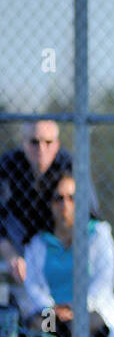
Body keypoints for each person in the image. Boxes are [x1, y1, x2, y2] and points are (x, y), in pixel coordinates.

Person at [20, 173, 114, 337]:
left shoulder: (98, 235)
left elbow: (103, 283)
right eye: (58, 198)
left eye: (72, 198)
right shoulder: (38, 242)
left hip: (89, 311)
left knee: (77, 326)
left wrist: (74, 307)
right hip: (52, 313)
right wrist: (53, 308)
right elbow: (33, 285)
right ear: (49, 204)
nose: (65, 205)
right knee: (36, 325)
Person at [0, 120, 99, 282]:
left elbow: (90, 214)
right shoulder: (8, 165)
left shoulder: (70, 166)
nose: (41, 149)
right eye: (34, 142)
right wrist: (11, 256)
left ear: (57, 144)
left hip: (61, 246)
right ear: (23, 143)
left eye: (48, 142)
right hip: (22, 246)